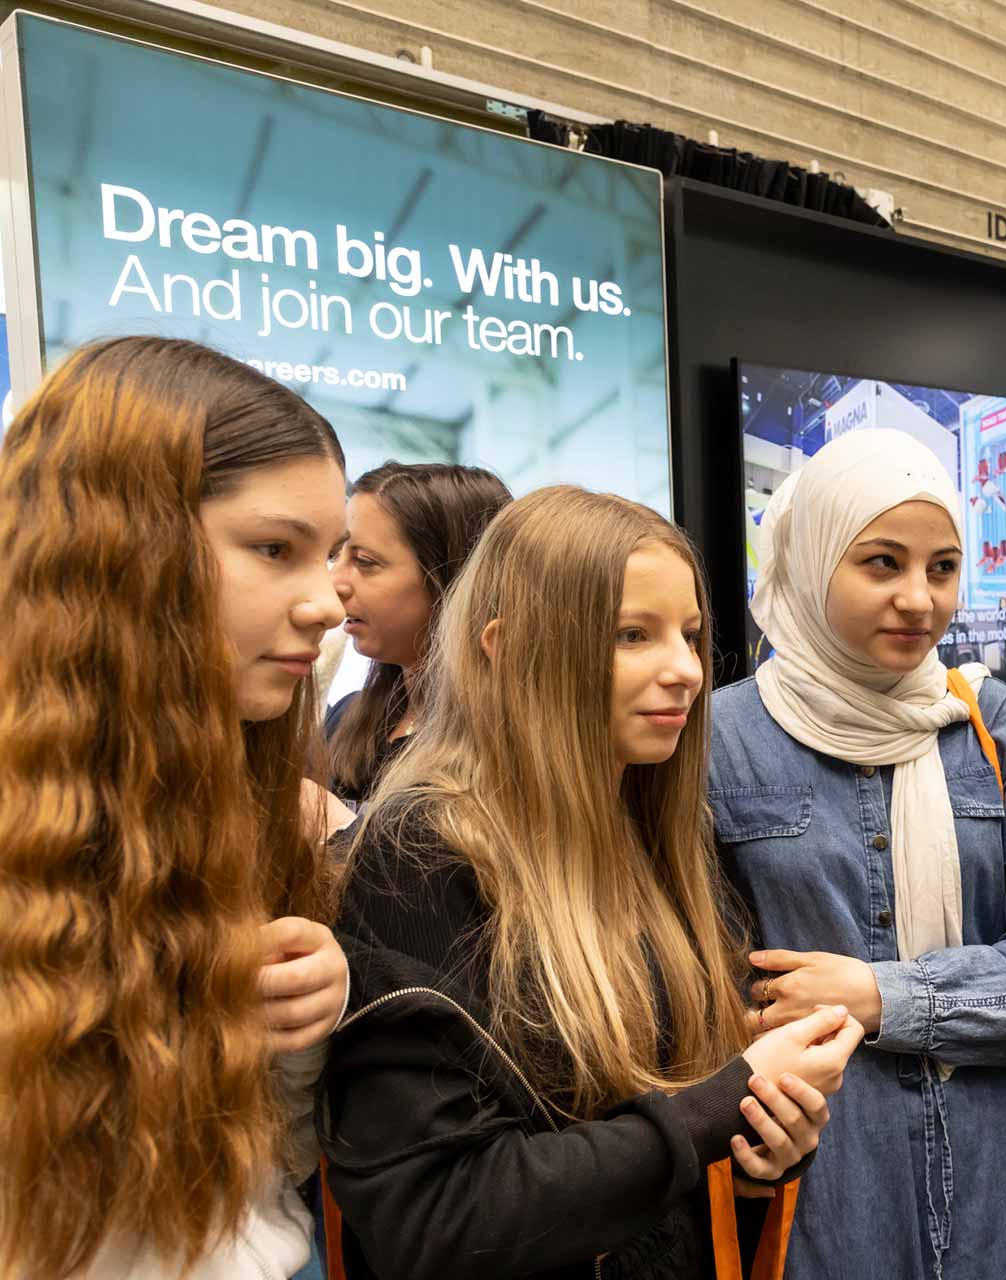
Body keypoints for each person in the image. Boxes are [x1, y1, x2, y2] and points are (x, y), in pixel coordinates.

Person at [321, 486, 862, 1280]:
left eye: (689, 635)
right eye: (630, 636)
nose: (684, 670)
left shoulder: (668, 840)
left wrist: (760, 1145)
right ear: (504, 647)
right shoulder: (420, 857)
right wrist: (718, 1107)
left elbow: (668, 1143)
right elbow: (440, 1221)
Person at [708, 429, 1006, 1280]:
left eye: (942, 567)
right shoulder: (719, 742)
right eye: (882, 563)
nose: (920, 600)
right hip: (826, 1176)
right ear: (814, 561)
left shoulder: (994, 726)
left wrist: (881, 995)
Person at [0, 337, 352, 1278]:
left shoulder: (247, 803)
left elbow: (261, 1181)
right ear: (122, 549)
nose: (327, 604)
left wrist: (302, 1018)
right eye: (274, 549)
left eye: (332, 557)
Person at [326, 461, 512, 805]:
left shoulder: (508, 756)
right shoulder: (347, 720)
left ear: (453, 576)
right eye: (335, 555)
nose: (333, 582)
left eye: (364, 561)